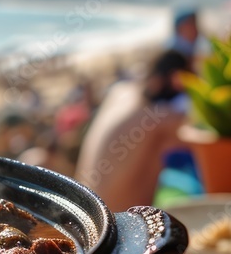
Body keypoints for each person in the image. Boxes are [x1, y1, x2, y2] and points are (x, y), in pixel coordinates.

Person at [75, 50, 191, 211]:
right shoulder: (162, 118)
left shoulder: (120, 91)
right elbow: (208, 136)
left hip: (85, 212)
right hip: (120, 228)